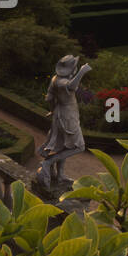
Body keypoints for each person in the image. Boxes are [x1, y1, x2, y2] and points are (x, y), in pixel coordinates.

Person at [37, 54, 92, 189]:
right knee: (79, 146)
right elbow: (72, 86)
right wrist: (82, 72)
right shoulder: (61, 82)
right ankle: (48, 163)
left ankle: (60, 175)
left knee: (63, 145)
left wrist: (52, 110)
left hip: (60, 113)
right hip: (67, 116)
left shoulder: (55, 79)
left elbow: (49, 98)